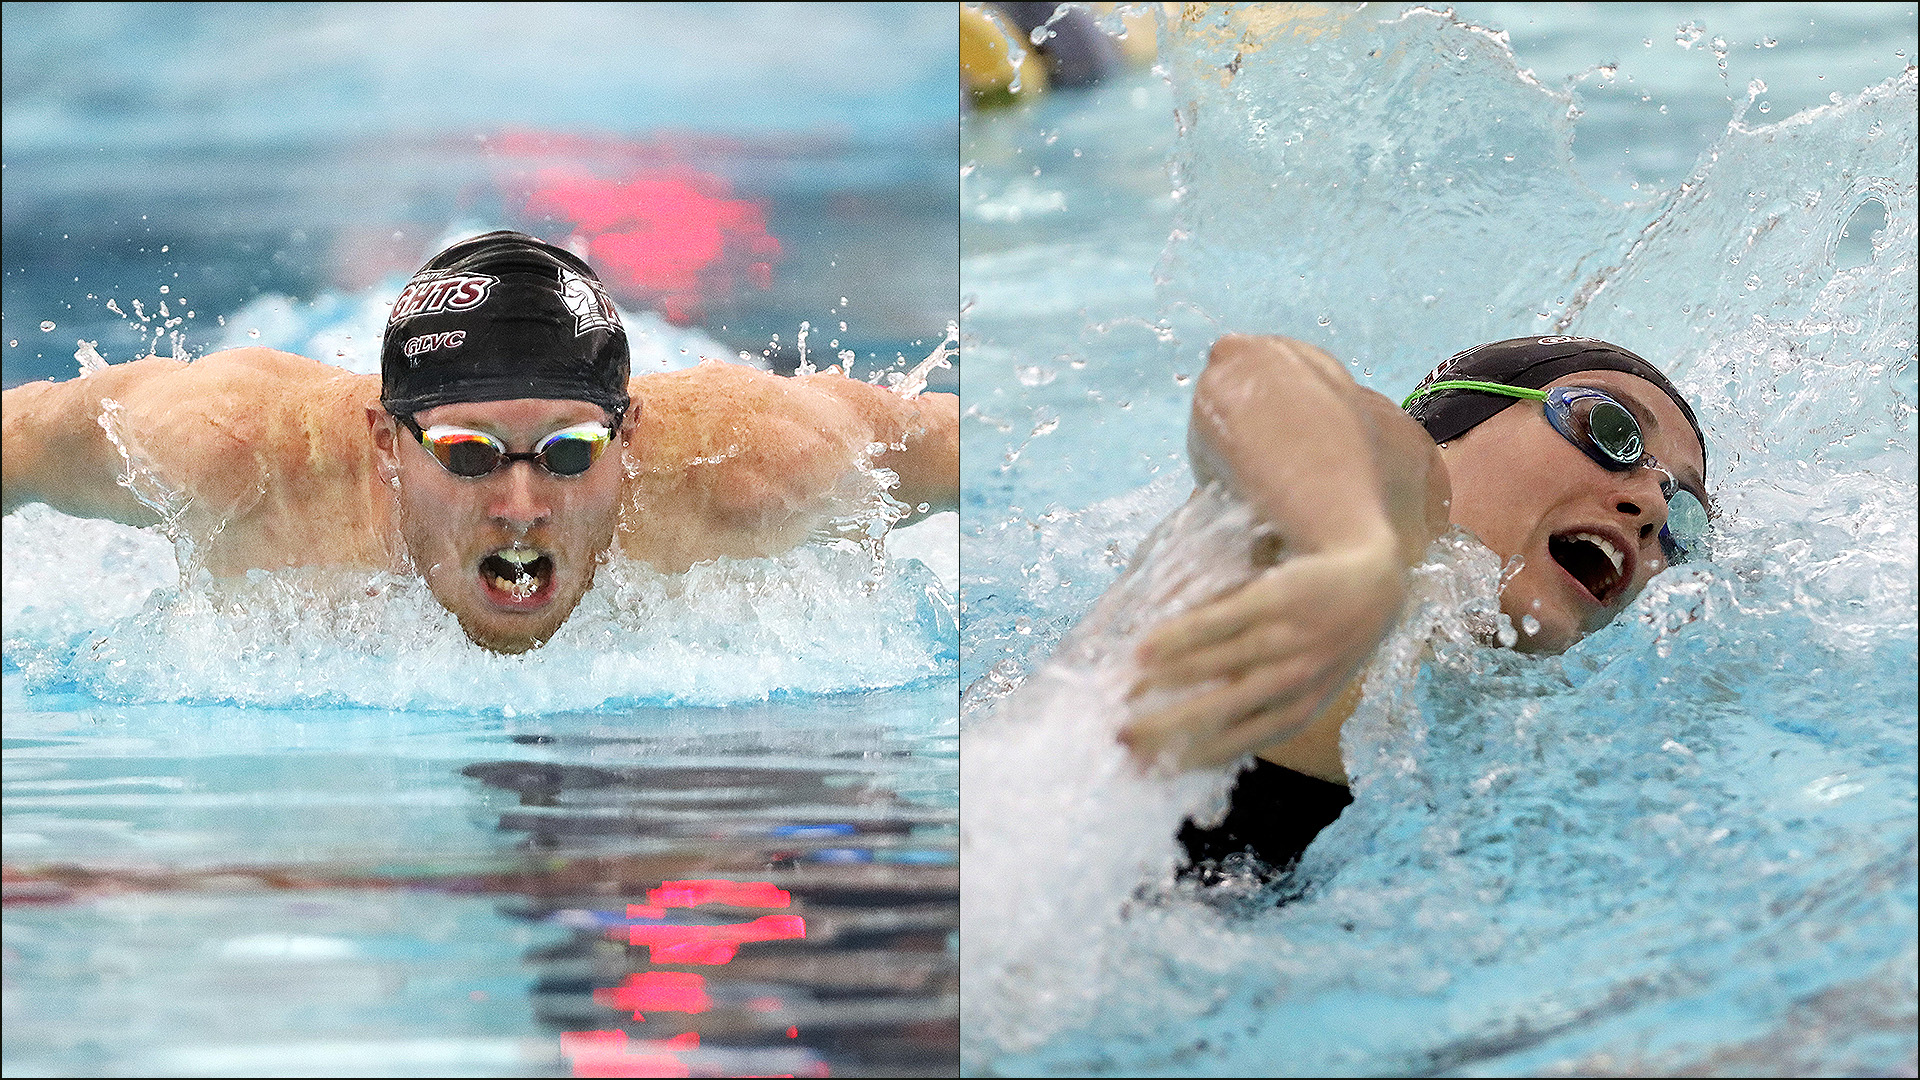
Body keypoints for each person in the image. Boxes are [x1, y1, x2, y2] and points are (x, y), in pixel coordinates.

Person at [1, 231, 958, 655]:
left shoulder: (760, 465)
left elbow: (980, 448)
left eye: (572, 452)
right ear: (385, 442)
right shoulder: (232, 456)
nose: (522, 506)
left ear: (635, 436)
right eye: (466, 453)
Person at [1113, 333, 1711, 883]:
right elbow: (1252, 373)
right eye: (1609, 428)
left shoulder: (1509, 736)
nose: (1651, 507)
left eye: (1684, 513)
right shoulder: (1368, 510)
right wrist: (1348, 552)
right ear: (1448, 426)